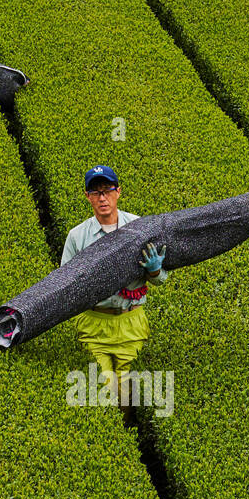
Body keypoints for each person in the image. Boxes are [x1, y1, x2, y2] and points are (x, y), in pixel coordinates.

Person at [60, 165, 167, 405]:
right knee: (102, 391)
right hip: (93, 322)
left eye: (107, 190)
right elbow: (64, 284)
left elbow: (160, 279)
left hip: (132, 321)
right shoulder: (77, 236)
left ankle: (130, 433)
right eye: (95, 192)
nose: (102, 197)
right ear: (87, 197)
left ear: (118, 192)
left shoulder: (140, 227)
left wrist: (155, 270)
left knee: (128, 393)